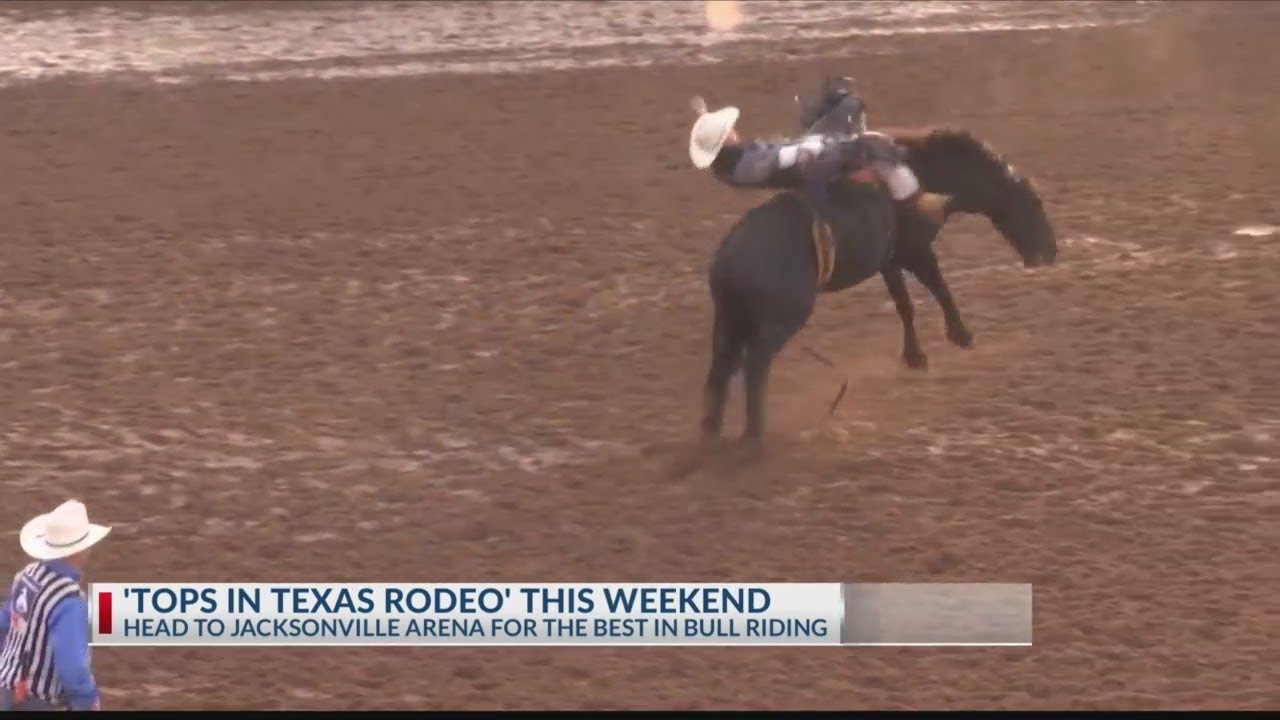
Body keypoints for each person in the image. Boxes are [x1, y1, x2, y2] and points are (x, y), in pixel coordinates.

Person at [688, 95, 951, 228]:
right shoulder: (744, 163)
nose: (734, 129)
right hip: (808, 164)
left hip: (799, 158)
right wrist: (820, 145)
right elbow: (783, 158)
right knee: (877, 147)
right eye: (729, 130)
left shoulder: (729, 165)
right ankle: (917, 202)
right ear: (724, 141)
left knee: (842, 103)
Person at [0, 500, 110, 711]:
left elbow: (4, 625)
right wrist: (87, 701)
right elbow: (73, 667)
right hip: (36, 701)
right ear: (80, 550)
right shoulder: (70, 601)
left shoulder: (27, 576)